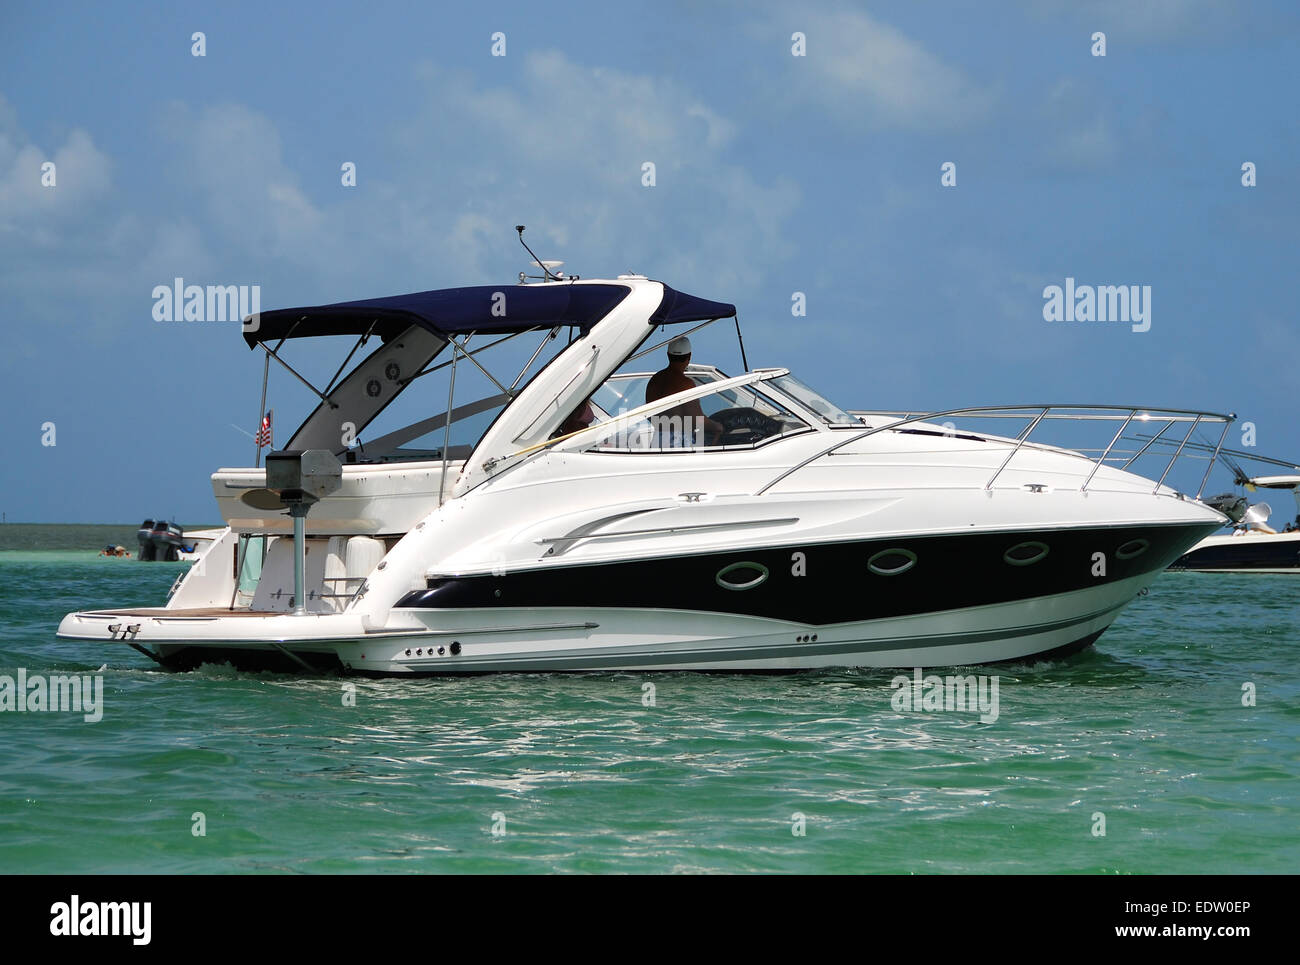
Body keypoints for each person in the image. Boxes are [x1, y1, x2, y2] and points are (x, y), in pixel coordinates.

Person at [645, 336, 722, 446]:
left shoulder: (655, 380)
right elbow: (697, 420)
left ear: (668, 355)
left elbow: (649, 415)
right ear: (689, 356)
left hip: (658, 441)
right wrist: (717, 426)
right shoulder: (686, 383)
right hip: (677, 443)